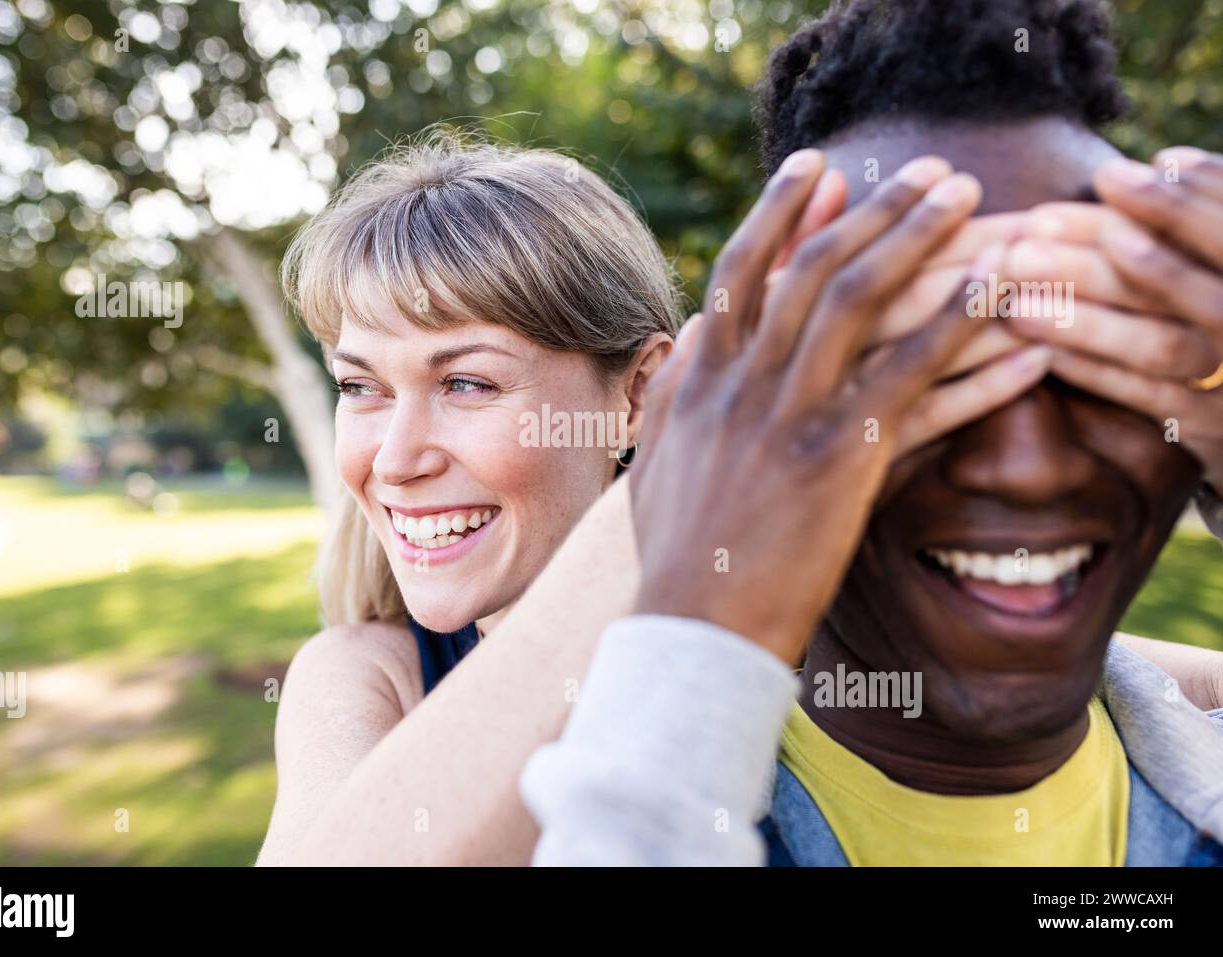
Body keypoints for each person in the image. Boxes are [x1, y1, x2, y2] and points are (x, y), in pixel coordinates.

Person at [519, 0, 1223, 866]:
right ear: (730, 432)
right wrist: (697, 632)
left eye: (1093, 360)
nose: (1029, 466)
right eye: (922, 369)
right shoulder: (566, 820)